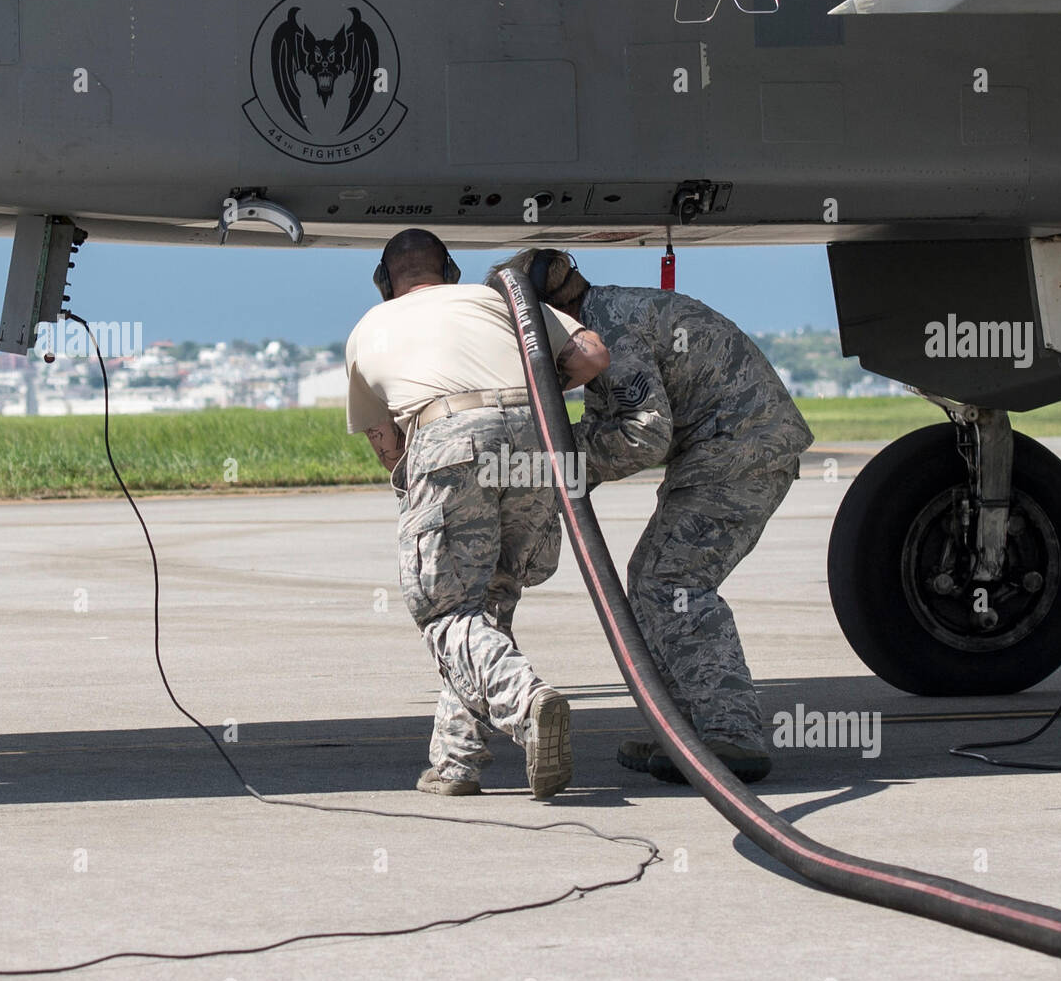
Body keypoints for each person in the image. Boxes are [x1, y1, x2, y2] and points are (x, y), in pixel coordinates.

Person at [487, 249, 813, 785]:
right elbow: (610, 421)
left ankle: (729, 735)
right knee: (654, 582)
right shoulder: (605, 318)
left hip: (739, 453)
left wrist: (561, 464)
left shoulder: (611, 332)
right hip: (727, 451)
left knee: (671, 582)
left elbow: (643, 433)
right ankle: (686, 732)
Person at [345, 230, 610, 798]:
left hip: (448, 436)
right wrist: (529, 392)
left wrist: (418, 478)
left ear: (384, 281)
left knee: (444, 611)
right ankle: (457, 762)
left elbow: (388, 444)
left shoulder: (370, 327)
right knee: (489, 600)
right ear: (452, 269)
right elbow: (591, 355)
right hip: (537, 440)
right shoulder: (496, 300)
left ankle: (527, 700)